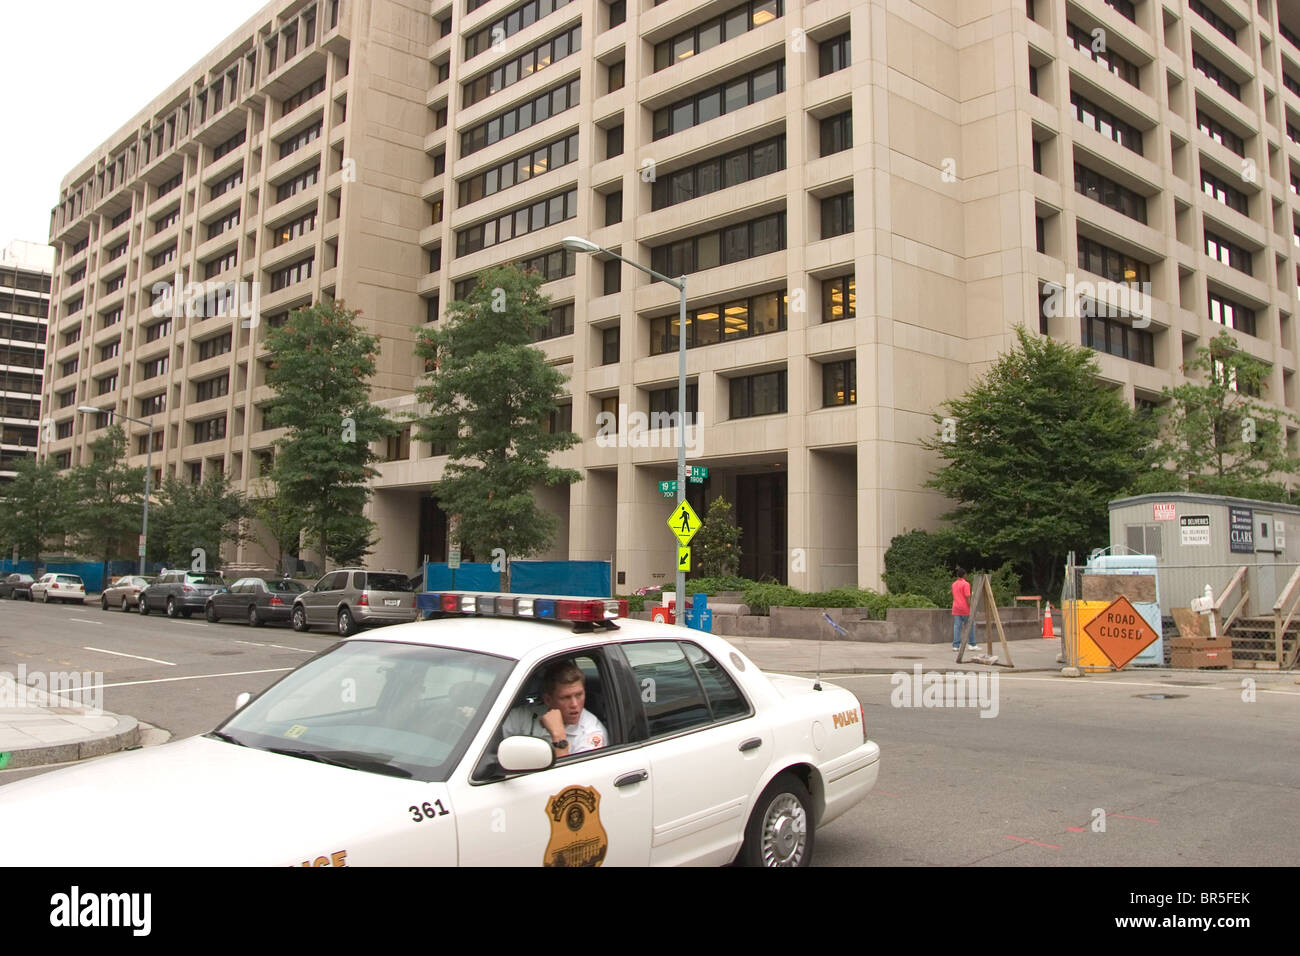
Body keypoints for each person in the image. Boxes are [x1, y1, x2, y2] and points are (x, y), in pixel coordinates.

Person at [501, 659, 606, 757]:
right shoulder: (527, 714)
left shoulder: (591, 732)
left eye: (579, 695)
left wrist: (559, 736)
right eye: (566, 697)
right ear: (548, 700)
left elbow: (572, 771)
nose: (574, 704)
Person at [952, 567, 978, 651]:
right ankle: (972, 644)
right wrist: (971, 606)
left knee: (957, 627)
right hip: (965, 608)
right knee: (970, 625)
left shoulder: (954, 584)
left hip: (956, 608)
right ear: (964, 575)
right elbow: (967, 597)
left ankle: (955, 645)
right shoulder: (966, 584)